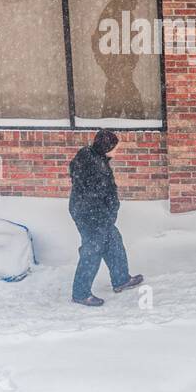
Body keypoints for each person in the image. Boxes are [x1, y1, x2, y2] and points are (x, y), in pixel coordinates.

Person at [68, 129, 143, 306]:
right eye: (115, 147)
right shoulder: (95, 167)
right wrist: (107, 211)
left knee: (114, 241)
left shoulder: (91, 156)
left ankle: (121, 279)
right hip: (91, 215)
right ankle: (80, 293)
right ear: (105, 147)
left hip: (94, 213)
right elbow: (98, 195)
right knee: (92, 250)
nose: (117, 151)